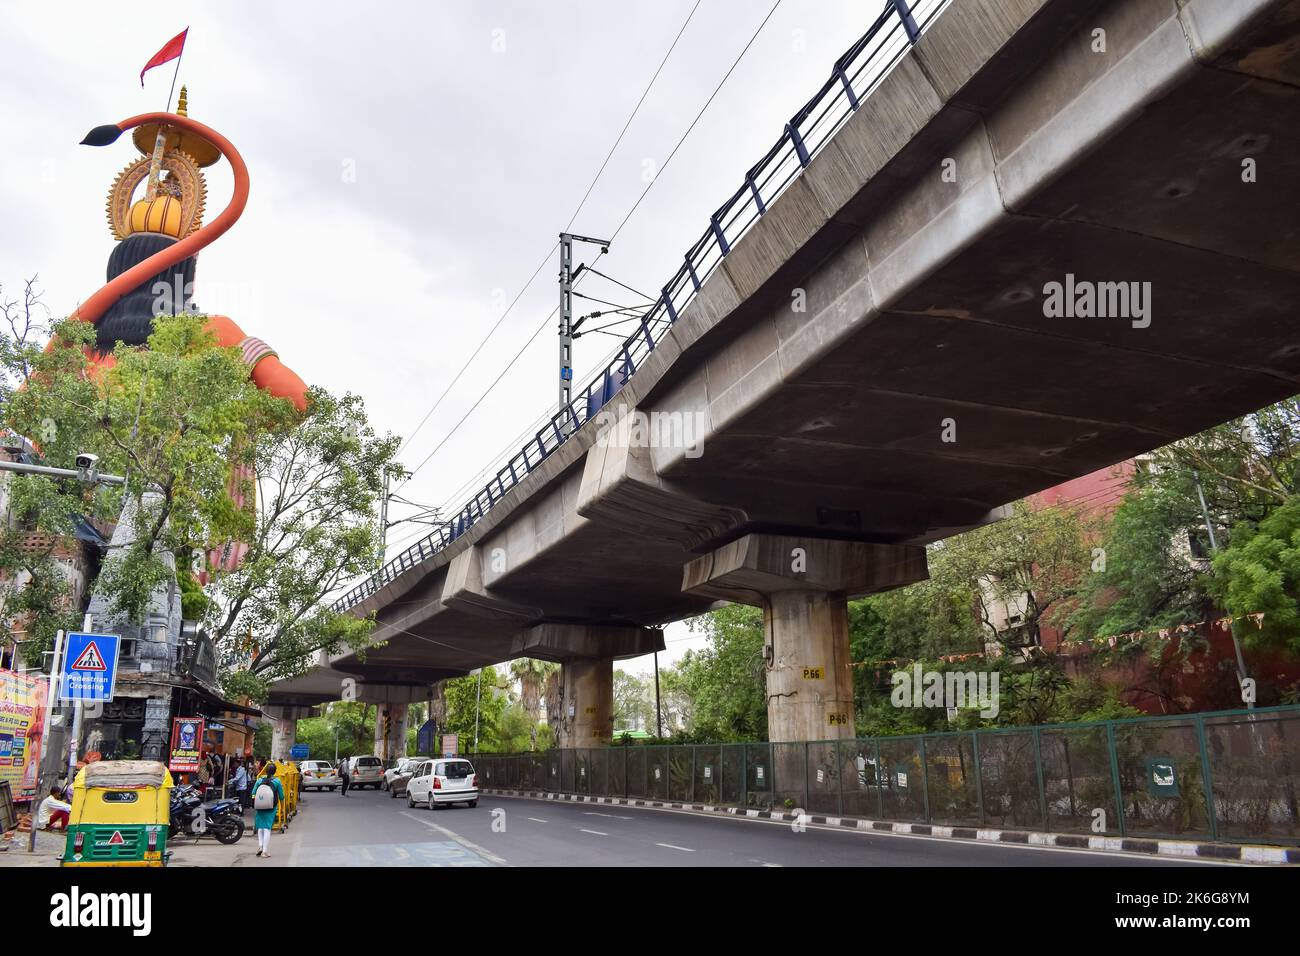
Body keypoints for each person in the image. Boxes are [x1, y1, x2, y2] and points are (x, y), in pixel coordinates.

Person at [251, 762, 284, 858]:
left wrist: (255, 803)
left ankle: (260, 847)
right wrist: (281, 808)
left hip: (259, 806)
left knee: (260, 827)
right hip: (271, 807)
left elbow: (253, 793)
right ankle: (265, 851)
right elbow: (281, 797)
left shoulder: (259, 780)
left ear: (265, 771)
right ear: (275, 771)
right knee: (267, 828)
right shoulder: (277, 781)